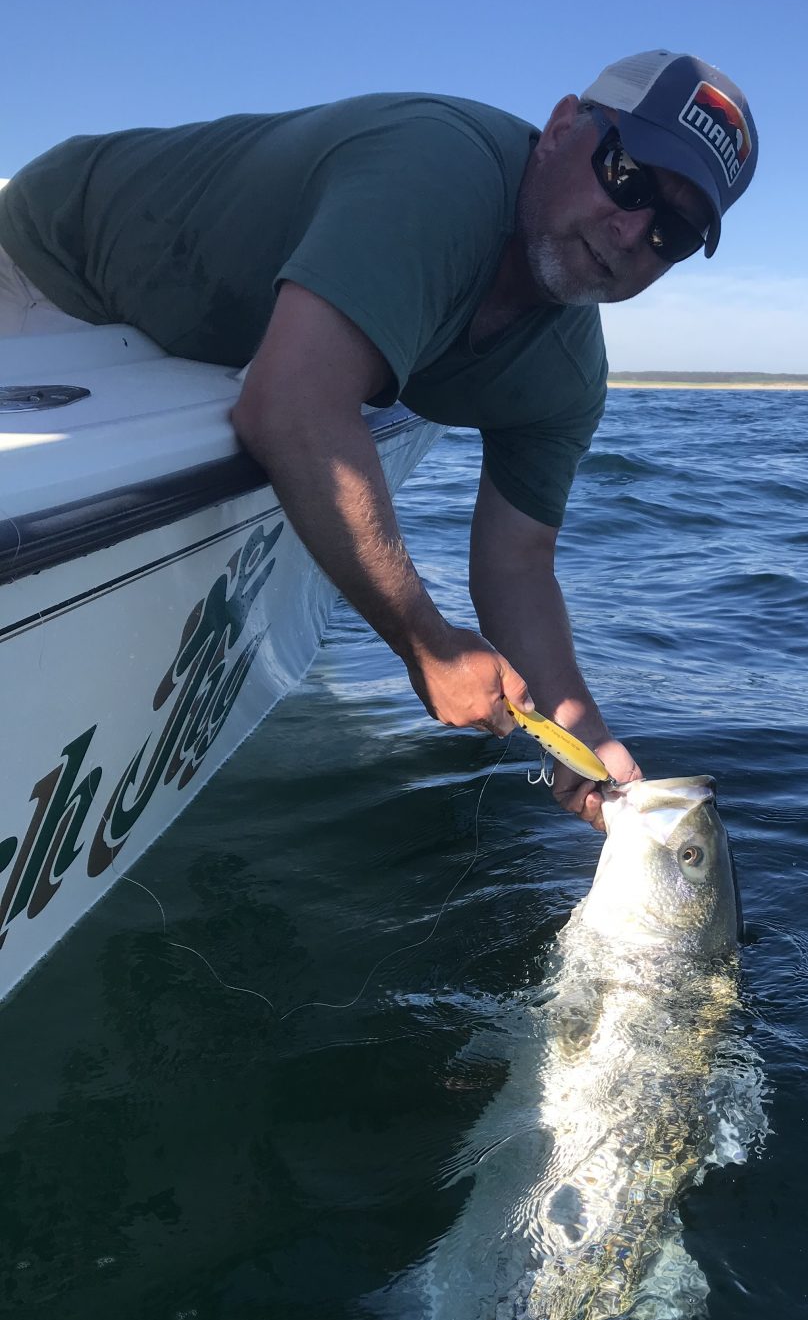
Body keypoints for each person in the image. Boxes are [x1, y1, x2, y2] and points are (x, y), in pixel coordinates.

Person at [0, 52, 757, 827]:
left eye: (672, 232)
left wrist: (583, 732)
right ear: (563, 127)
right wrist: (426, 641)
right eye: (626, 176)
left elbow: (518, 563)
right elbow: (289, 407)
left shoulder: (566, 376)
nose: (632, 232)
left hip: (209, 341)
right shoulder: (438, 174)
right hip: (55, 267)